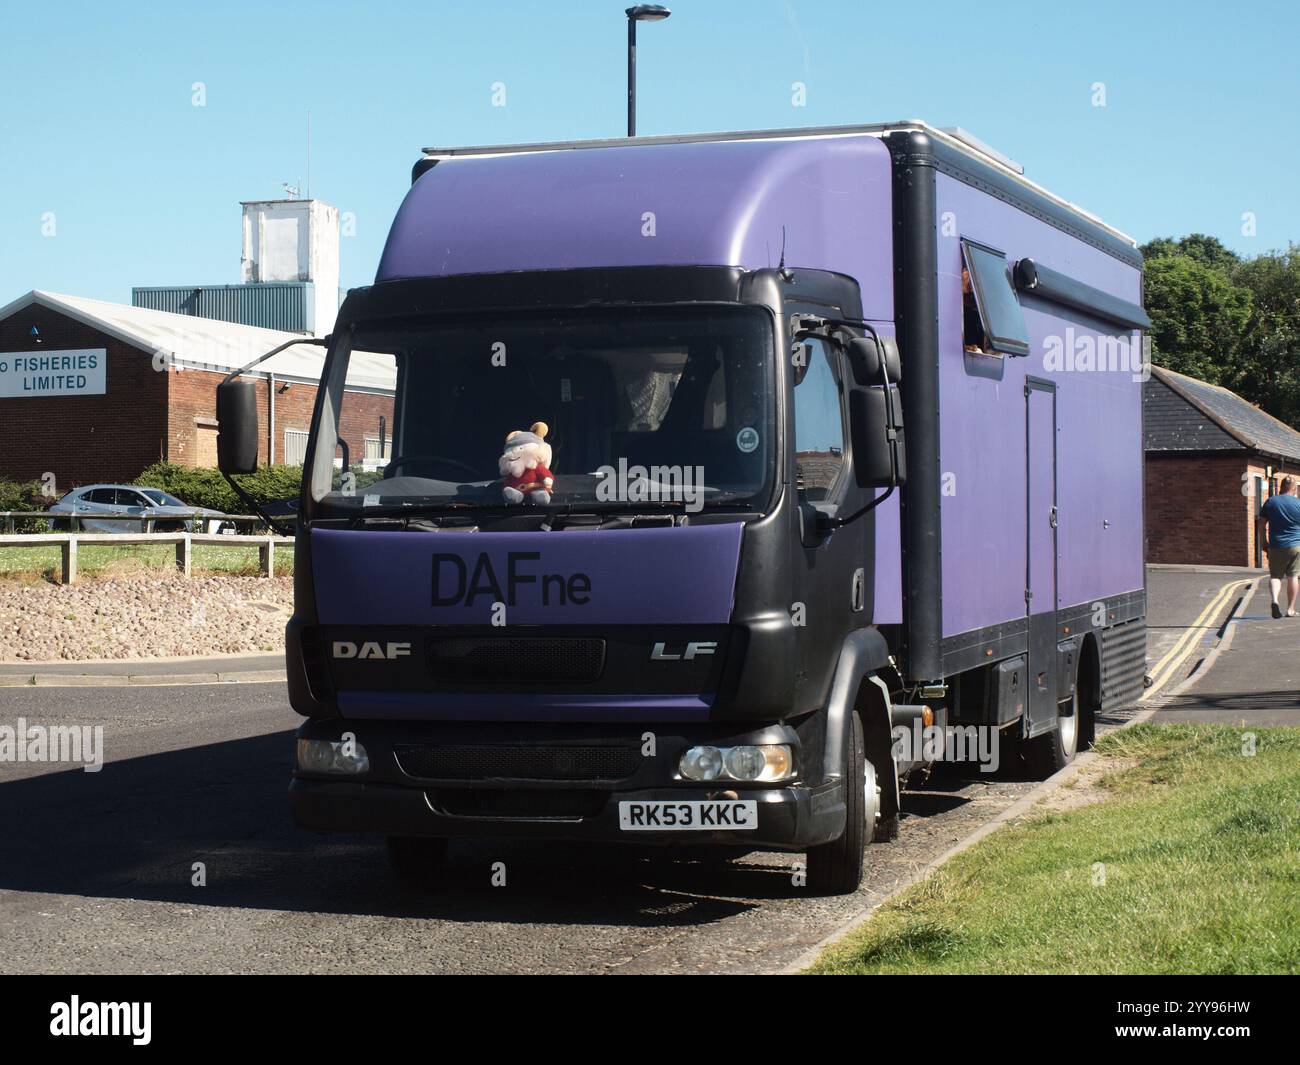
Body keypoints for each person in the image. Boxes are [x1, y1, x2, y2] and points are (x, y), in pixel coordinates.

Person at [1261, 476, 1300, 618]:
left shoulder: (1271, 502)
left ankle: (1275, 601)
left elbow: (1262, 524)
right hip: (1295, 545)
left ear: (1281, 487)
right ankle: (1290, 609)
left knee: (1275, 576)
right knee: (1293, 576)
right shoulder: (1298, 503)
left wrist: (1263, 541)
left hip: (1276, 545)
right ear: (1294, 488)